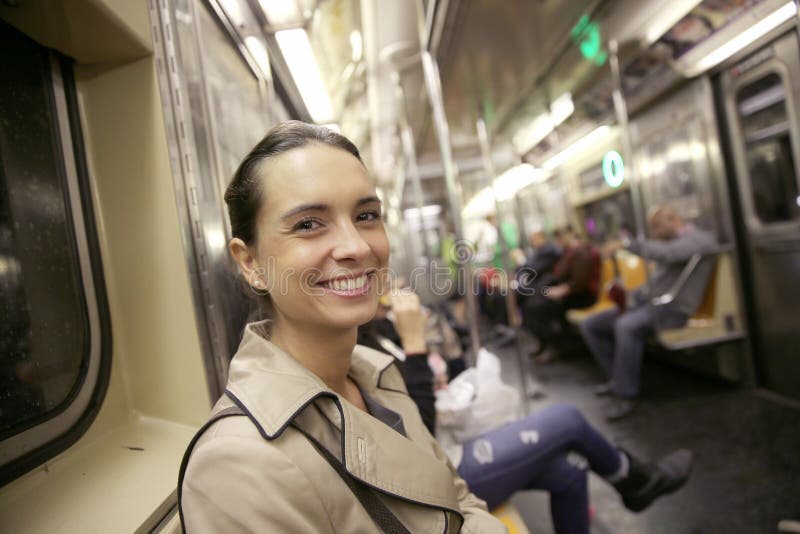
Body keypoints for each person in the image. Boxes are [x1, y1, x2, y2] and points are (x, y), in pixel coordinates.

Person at [179, 121, 506, 532]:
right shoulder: (237, 465)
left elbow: (455, 499)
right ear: (251, 264)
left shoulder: (375, 374)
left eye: (366, 215)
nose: (357, 247)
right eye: (308, 224)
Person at [359, 290, 694, 534]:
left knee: (571, 469)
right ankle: (633, 480)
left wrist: (433, 345)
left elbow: (435, 374)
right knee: (567, 419)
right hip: (440, 479)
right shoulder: (356, 355)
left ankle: (633, 481)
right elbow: (418, 428)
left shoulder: (378, 334)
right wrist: (415, 346)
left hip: (448, 452)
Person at [580, 205, 717, 420]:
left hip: (673, 308)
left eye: (657, 226)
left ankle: (626, 395)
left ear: (672, 218)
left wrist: (627, 244)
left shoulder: (700, 240)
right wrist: (631, 293)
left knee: (625, 326)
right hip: (650, 304)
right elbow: (657, 282)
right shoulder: (670, 243)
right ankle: (617, 379)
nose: (654, 232)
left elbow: (670, 254)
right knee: (591, 324)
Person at [522, 227, 600, 362]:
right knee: (533, 304)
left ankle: (557, 344)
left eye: (561, 237)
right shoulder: (567, 252)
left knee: (539, 307)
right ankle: (549, 342)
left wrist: (564, 289)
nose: (559, 240)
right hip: (570, 291)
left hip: (581, 295)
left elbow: (579, 281)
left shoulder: (580, 252)